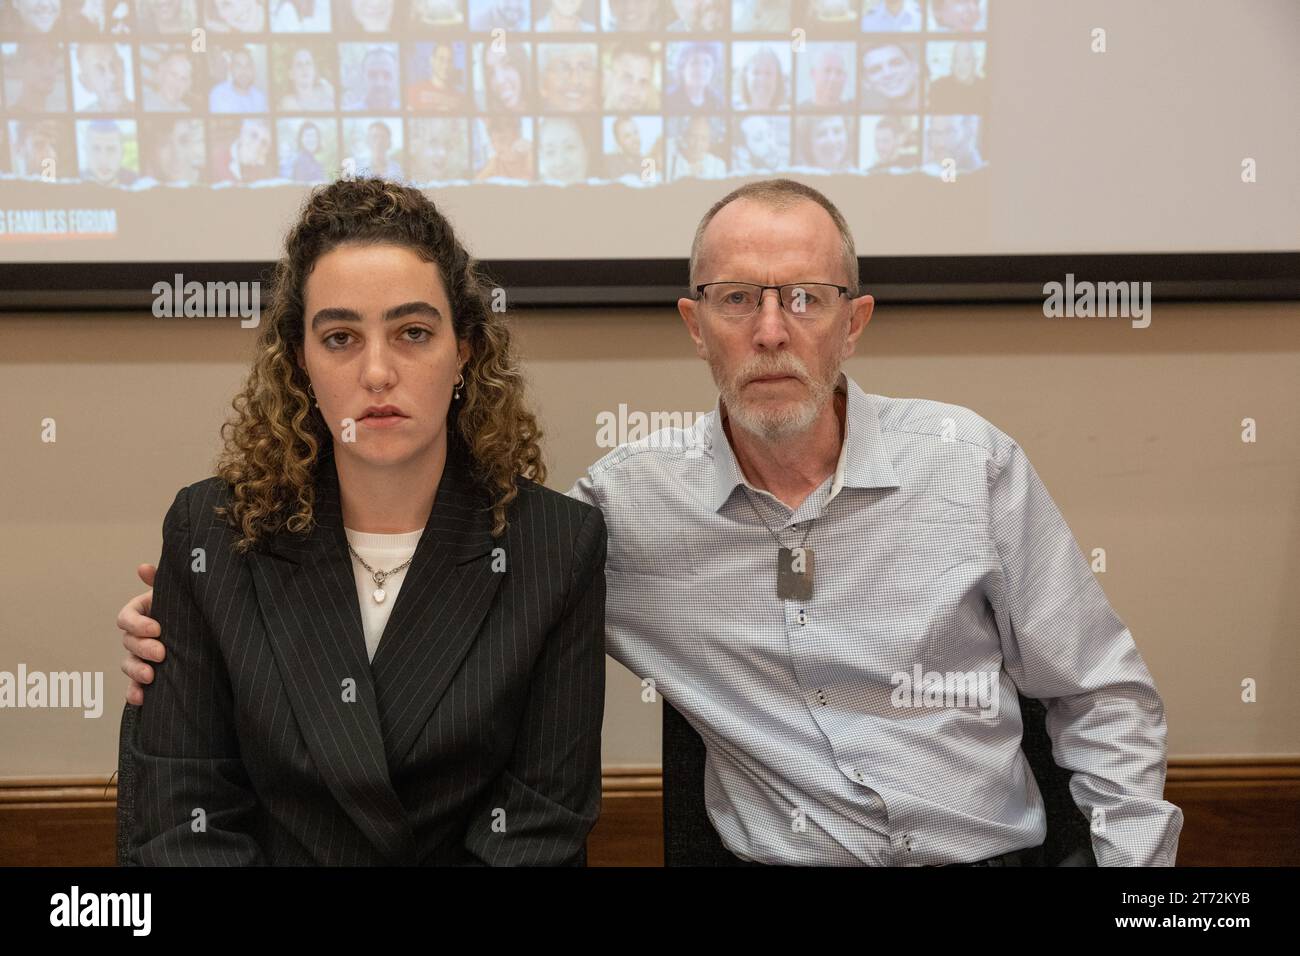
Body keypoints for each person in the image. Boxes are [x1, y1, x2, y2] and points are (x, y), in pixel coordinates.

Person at [118, 178, 1183, 867]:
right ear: (694, 326)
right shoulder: (615, 514)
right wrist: (191, 613)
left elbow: (1102, 695)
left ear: (853, 322)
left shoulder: (973, 467)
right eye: (734, 300)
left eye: (805, 299)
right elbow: (185, 800)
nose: (771, 331)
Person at [119, 177, 606, 865]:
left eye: (412, 333)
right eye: (341, 336)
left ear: (464, 349)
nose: (378, 373)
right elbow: (183, 821)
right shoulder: (211, 534)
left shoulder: (556, 546)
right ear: (300, 362)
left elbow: (538, 824)